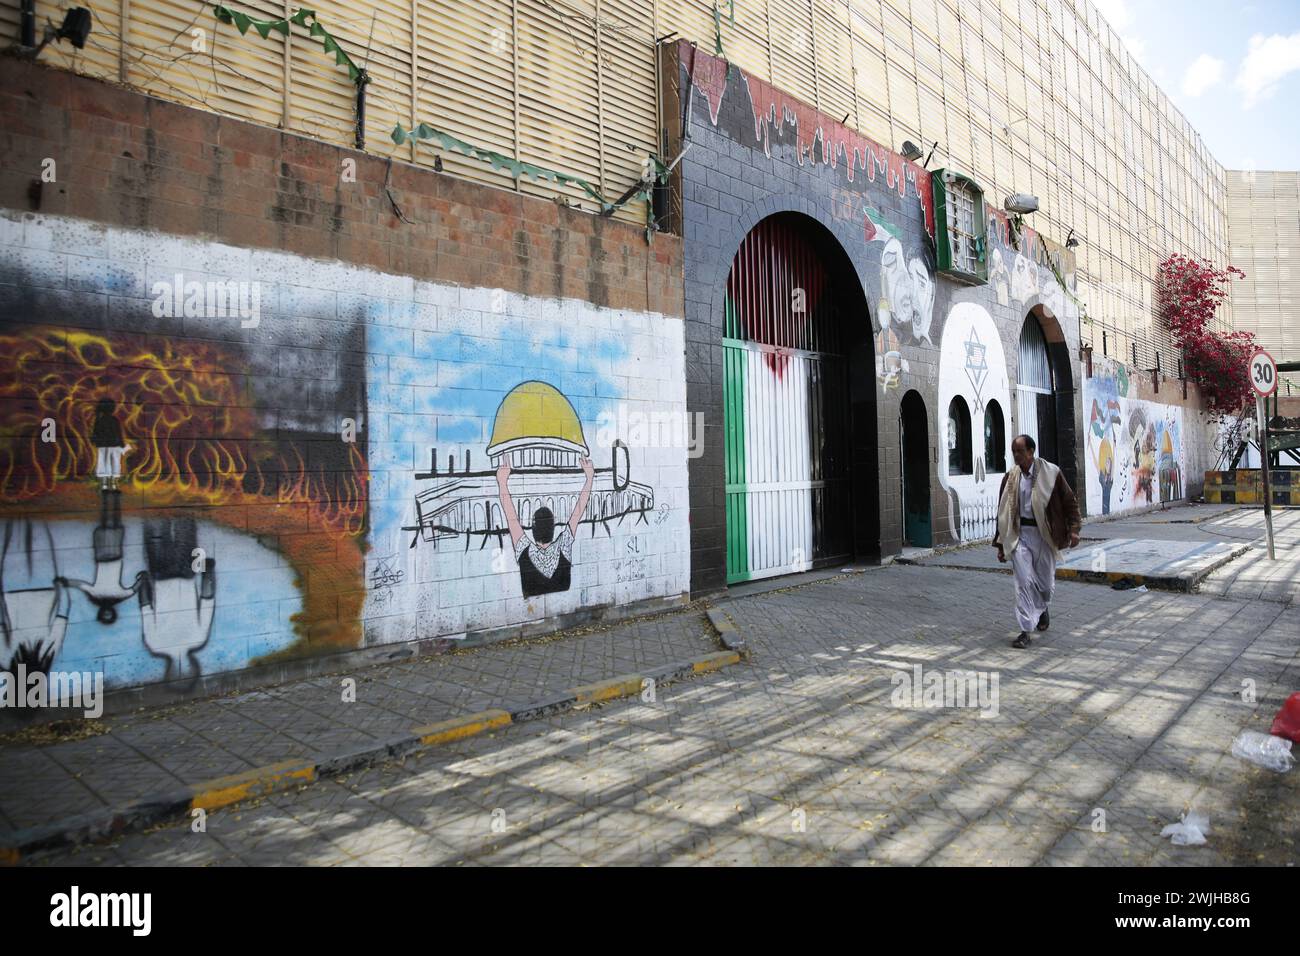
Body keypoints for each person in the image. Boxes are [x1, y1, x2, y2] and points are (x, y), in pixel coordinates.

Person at [992, 434, 1081, 649]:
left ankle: (1042, 609)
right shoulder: (1010, 478)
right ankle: (1025, 631)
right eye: (1013, 451)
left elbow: (1070, 502)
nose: (1016, 455)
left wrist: (1074, 529)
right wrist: (1001, 544)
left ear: (1031, 452)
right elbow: (1002, 512)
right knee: (1023, 583)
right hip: (1019, 535)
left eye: (1019, 451)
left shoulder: (1052, 473)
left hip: (1045, 536)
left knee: (1046, 586)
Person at [495, 456, 594, 597]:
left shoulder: (524, 549)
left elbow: (511, 517)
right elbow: (577, 512)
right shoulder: (563, 546)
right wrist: (589, 478)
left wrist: (502, 482)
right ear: (553, 528)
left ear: (533, 529)